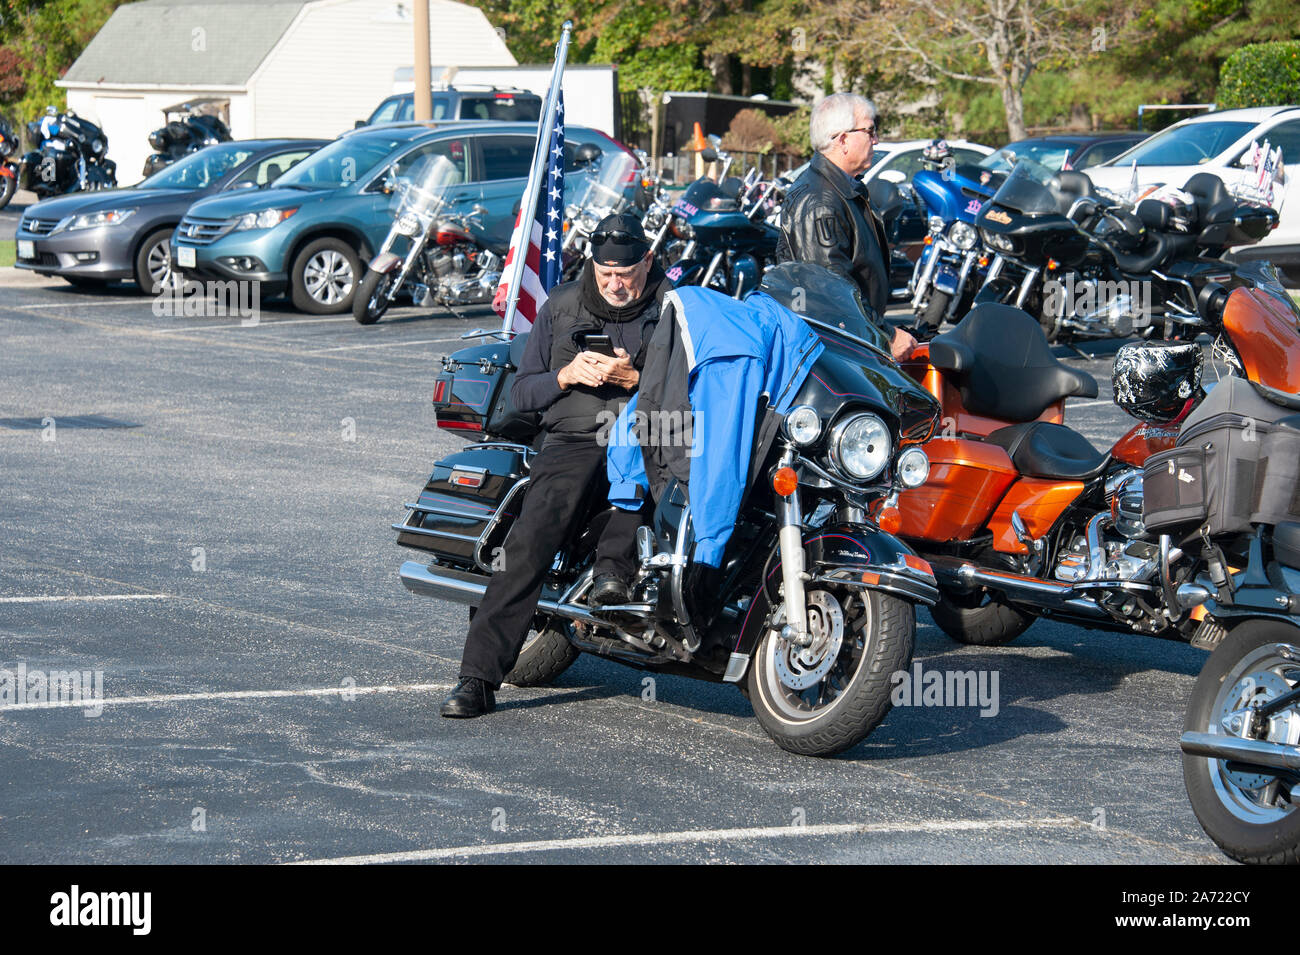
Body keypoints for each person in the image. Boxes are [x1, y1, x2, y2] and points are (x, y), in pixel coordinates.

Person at [440, 213, 673, 719]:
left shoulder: (672, 306)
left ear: (647, 261)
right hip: (573, 436)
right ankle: (477, 678)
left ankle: (618, 579)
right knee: (532, 537)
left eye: (626, 273)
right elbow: (523, 392)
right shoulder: (562, 304)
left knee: (659, 488)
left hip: (649, 431)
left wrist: (638, 380)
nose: (615, 284)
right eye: (605, 272)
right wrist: (566, 375)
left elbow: (697, 384)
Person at [777, 92, 917, 361]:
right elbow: (829, 292)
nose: (876, 139)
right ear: (843, 140)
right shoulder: (819, 200)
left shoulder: (842, 188)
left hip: (848, 346)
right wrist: (886, 335)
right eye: (870, 130)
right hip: (835, 354)